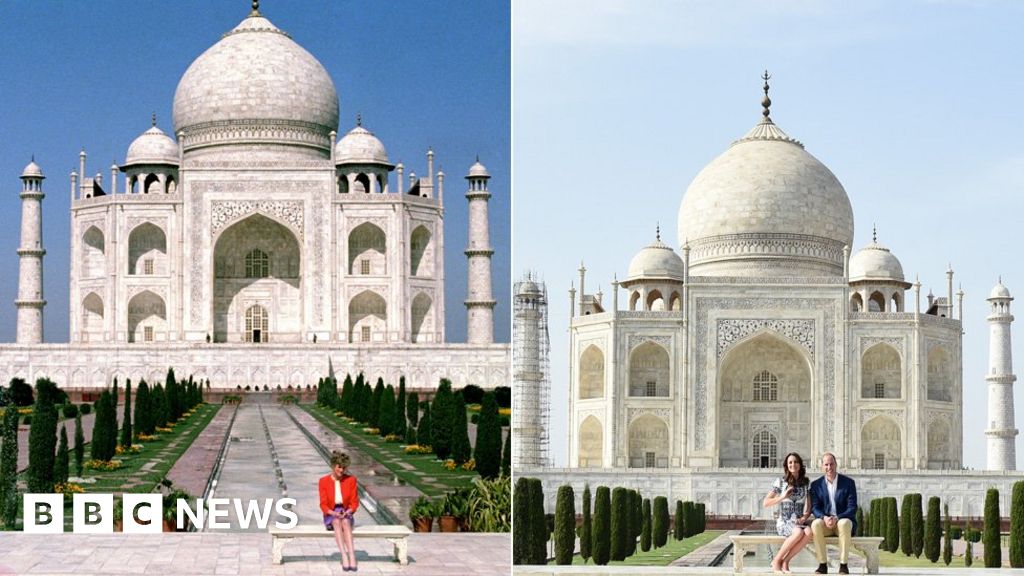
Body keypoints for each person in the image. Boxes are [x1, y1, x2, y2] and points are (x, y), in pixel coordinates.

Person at [762, 452, 813, 574]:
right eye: (790, 462)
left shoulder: (806, 484)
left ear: (800, 465)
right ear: (786, 465)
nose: (793, 464)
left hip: (798, 523)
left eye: (795, 462)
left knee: (809, 532)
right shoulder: (781, 482)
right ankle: (776, 561)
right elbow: (766, 502)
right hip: (784, 522)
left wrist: (804, 517)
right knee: (799, 532)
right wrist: (783, 496)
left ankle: (785, 561)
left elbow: (809, 507)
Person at [809, 452, 857, 574]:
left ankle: (843, 565)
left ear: (836, 464)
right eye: (826, 465)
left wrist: (837, 517)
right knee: (815, 524)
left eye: (831, 464)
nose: (829, 467)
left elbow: (852, 508)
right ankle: (822, 564)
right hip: (826, 524)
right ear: (822, 466)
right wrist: (824, 517)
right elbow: (814, 508)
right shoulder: (816, 485)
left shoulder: (848, 483)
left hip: (842, 522)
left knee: (844, 523)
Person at [319, 450, 359, 571]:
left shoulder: (351, 480)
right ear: (333, 466)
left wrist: (348, 512)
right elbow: (323, 505)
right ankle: (344, 555)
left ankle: (352, 555)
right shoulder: (323, 481)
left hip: (346, 511)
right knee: (336, 522)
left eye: (344, 468)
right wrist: (334, 513)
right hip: (331, 513)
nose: (342, 470)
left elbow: (354, 502)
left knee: (345, 522)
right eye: (339, 467)